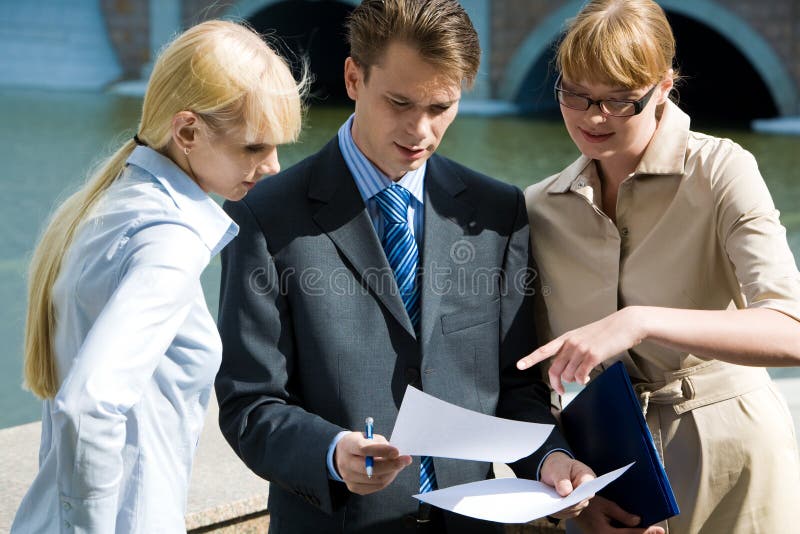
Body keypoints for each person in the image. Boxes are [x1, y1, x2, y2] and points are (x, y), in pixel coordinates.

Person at [214, 0, 594, 532]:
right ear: (353, 77)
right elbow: (250, 405)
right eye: (399, 102)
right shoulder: (265, 217)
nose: (420, 130)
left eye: (441, 107)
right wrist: (332, 452)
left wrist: (551, 460)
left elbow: (515, 388)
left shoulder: (497, 213)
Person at [517, 1, 800, 532]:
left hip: (737, 460)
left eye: (620, 101)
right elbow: (527, 381)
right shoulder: (538, 208)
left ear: (666, 85)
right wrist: (568, 489)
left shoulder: (723, 170)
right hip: (610, 467)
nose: (593, 117)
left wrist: (640, 319)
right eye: (575, 95)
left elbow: (791, 329)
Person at [11, 20, 303, 533]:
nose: (274, 166)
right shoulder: (171, 241)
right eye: (254, 148)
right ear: (187, 131)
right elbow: (89, 404)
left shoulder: (106, 205)